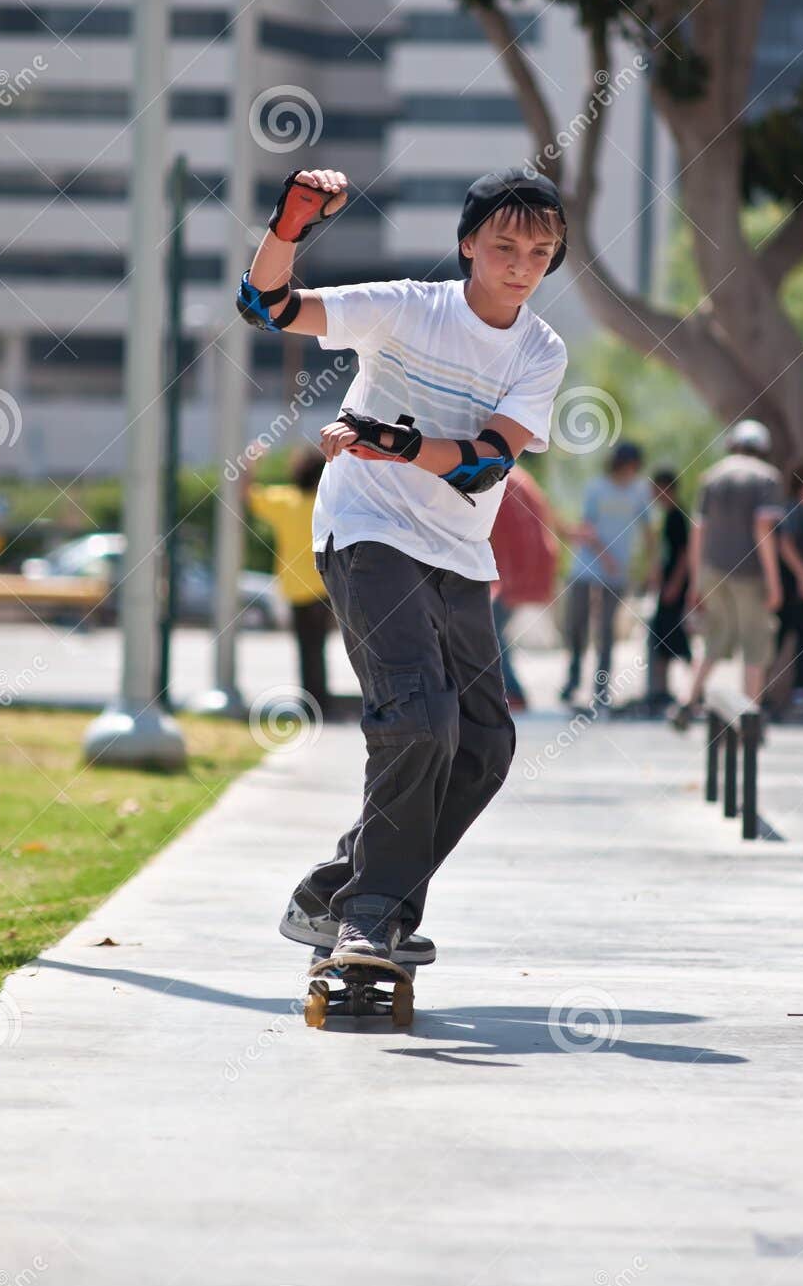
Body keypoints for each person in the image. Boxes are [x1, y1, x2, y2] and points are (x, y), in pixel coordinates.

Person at [236, 164, 568, 965]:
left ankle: (334, 893)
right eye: (505, 246)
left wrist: (391, 441)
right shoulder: (406, 308)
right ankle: (369, 917)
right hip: (367, 534)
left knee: (482, 745)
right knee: (418, 717)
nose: (521, 265)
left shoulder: (539, 350)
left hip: (458, 553)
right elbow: (267, 305)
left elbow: (485, 464)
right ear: (468, 245)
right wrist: (288, 226)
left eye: (540, 251)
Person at [670, 420, 784, 728]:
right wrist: (774, 582)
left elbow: (698, 531)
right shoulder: (767, 477)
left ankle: (687, 701)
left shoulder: (713, 476)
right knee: (755, 643)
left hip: (712, 571)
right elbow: (762, 529)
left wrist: (696, 582)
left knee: (714, 640)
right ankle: (750, 716)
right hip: (750, 573)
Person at [561, 441, 654, 708]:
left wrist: (651, 566)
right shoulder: (597, 488)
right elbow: (587, 528)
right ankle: (572, 681)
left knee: (606, 631)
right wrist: (607, 558)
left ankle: (601, 689)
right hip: (586, 567)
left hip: (617, 573)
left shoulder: (639, 490)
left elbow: (648, 529)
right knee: (577, 625)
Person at [247, 444, 333, 717]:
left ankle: (312, 704)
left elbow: (247, 493)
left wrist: (252, 461)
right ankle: (322, 702)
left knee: (306, 649)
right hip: (325, 587)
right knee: (318, 648)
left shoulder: (285, 501)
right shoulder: (327, 503)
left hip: (296, 589)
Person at [489, 464, 559, 713]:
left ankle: (513, 692)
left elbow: (508, 532)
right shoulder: (520, 479)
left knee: (490, 633)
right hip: (528, 570)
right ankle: (509, 692)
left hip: (514, 574)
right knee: (495, 632)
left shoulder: (500, 479)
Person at [765, 461, 803, 712]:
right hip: (788, 586)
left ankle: (789, 689)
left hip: (789, 584)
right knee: (799, 634)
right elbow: (785, 545)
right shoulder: (795, 509)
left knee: (795, 635)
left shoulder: (800, 510)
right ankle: (798, 690)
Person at [646, 467, 691, 709]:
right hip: (668, 585)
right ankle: (660, 689)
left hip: (676, 587)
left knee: (672, 635)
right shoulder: (667, 515)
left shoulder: (677, 516)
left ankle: (692, 688)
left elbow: (685, 554)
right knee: (660, 636)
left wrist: (674, 584)